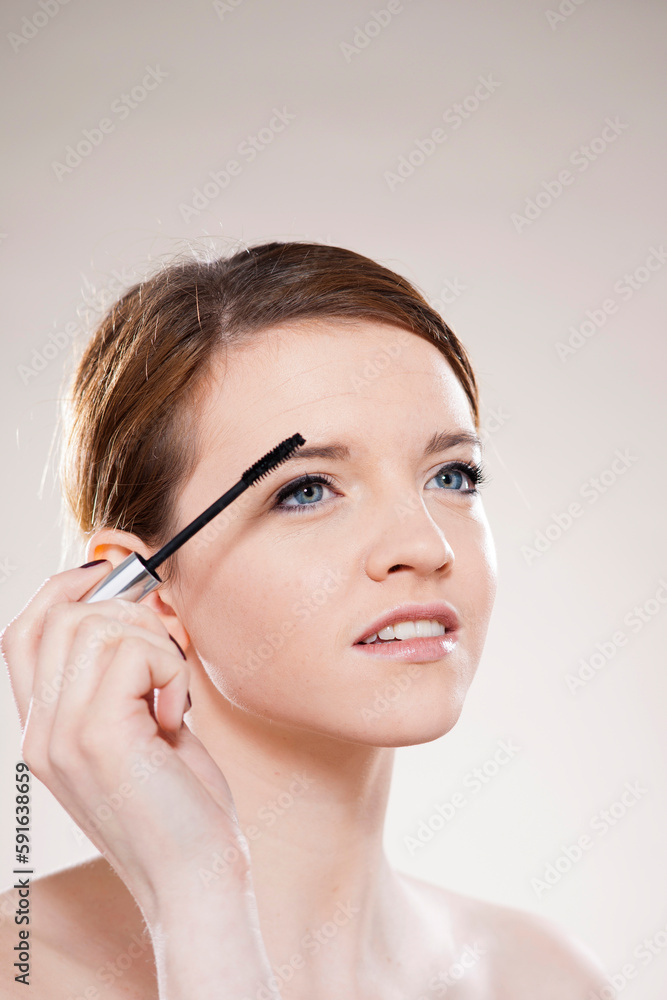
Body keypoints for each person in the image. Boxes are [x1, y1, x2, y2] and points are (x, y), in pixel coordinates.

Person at [1, 242, 607, 998]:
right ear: (146, 588)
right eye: (307, 490)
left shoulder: (542, 978)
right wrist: (200, 900)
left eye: (451, 474)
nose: (424, 543)